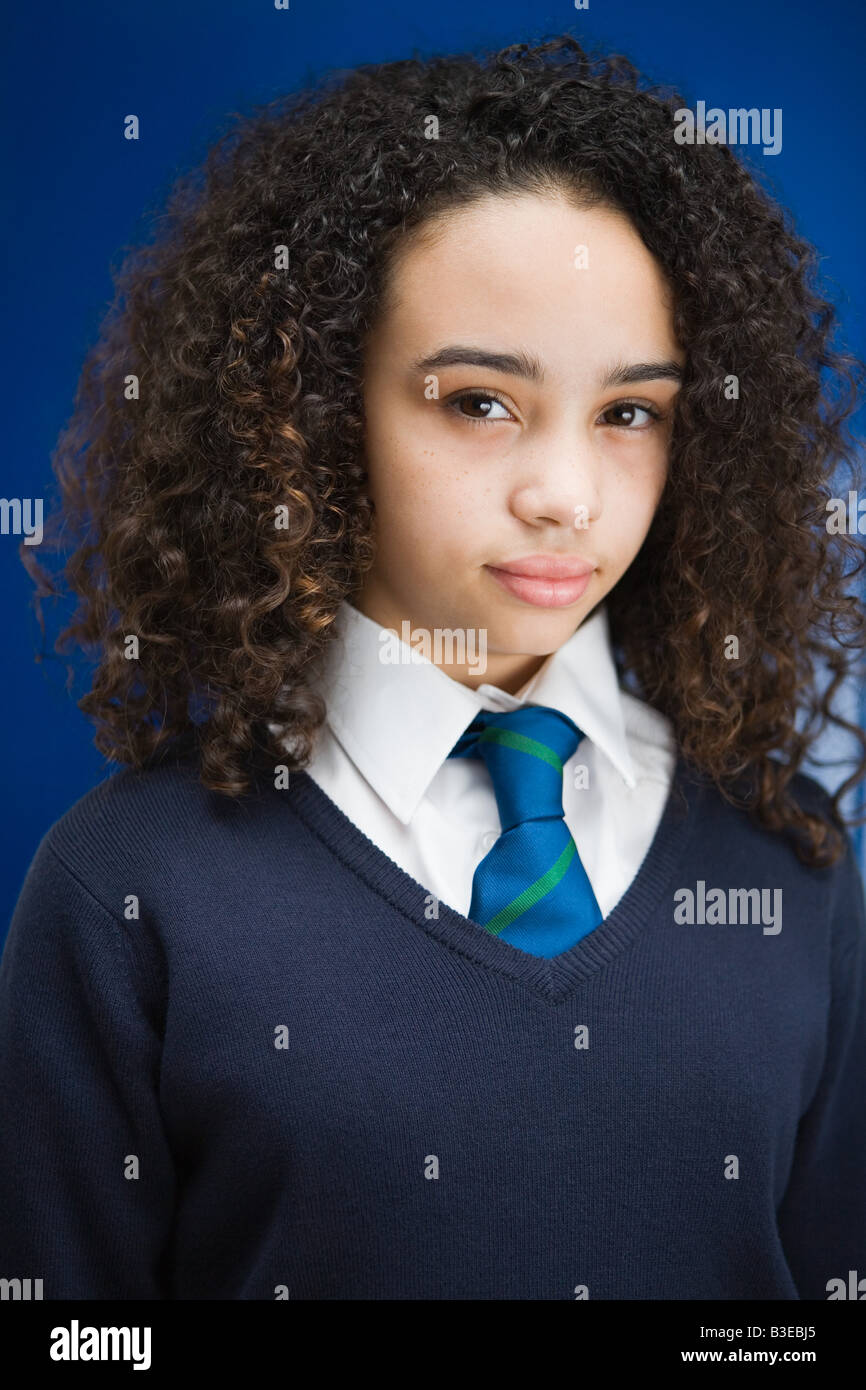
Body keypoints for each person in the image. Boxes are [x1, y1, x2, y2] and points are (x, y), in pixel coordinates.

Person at [2, 35, 865, 1300]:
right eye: (477, 400)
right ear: (309, 407)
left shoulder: (786, 866)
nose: (565, 494)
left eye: (629, 412)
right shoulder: (125, 894)